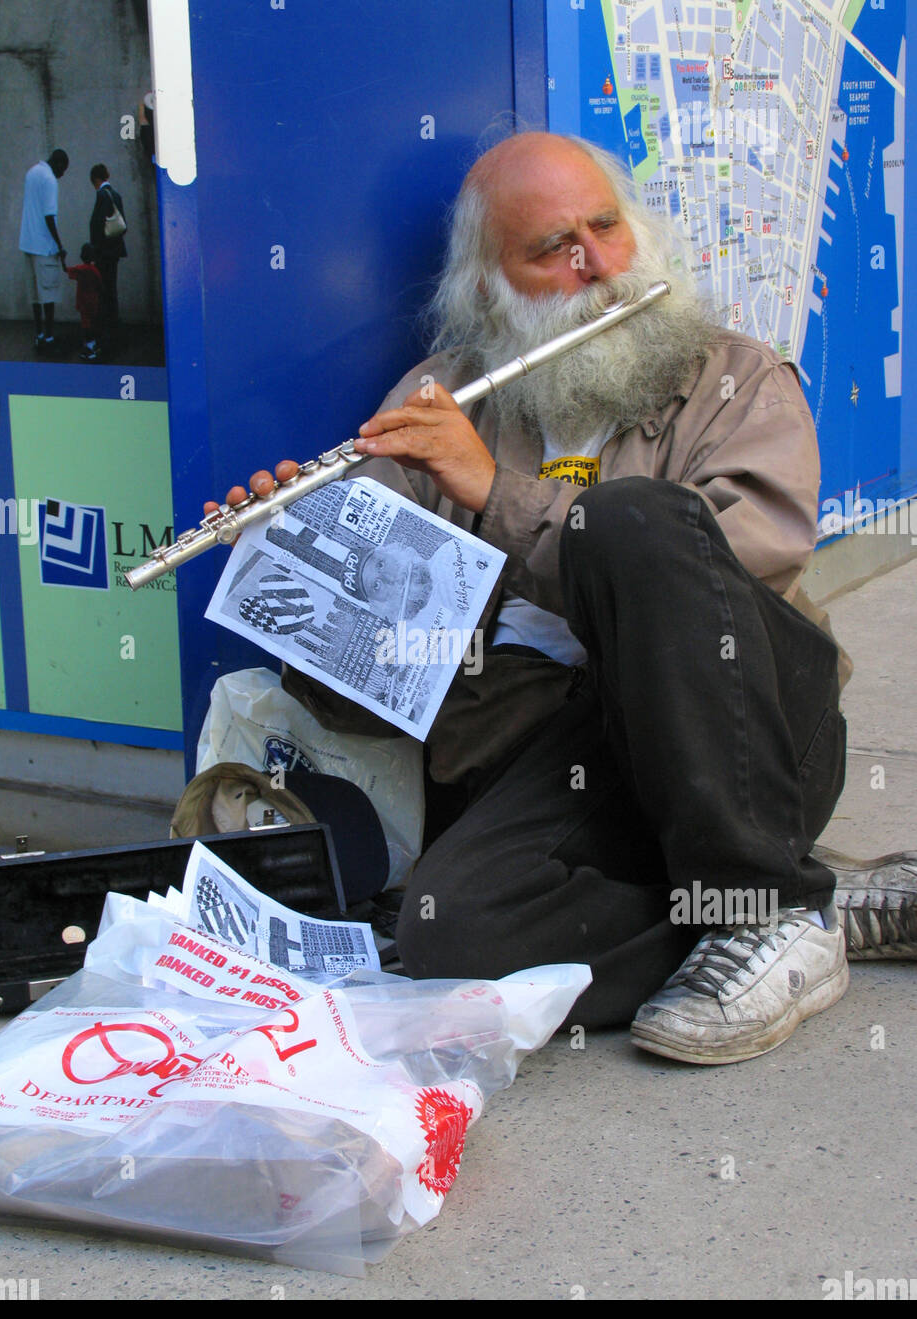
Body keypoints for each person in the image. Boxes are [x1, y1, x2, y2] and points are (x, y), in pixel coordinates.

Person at [213, 131, 916, 1064]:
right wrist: (296, 565)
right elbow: (373, 688)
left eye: (606, 228)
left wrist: (494, 496)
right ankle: (802, 906)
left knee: (632, 522)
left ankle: (767, 902)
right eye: (551, 249)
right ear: (485, 286)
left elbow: (716, 592)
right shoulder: (442, 398)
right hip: (559, 757)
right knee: (444, 939)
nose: (596, 265)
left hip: (750, 739)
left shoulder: (736, 381)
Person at [19, 149, 69, 351]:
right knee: (48, 294)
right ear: (58, 164)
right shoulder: (50, 180)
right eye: (63, 170)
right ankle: (48, 338)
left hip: (27, 243)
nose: (62, 174)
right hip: (44, 246)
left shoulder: (32, 172)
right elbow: (49, 216)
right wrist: (60, 245)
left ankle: (38, 334)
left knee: (35, 296)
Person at [88, 163, 127, 349]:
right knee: (112, 289)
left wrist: (95, 251)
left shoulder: (101, 196)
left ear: (95, 180)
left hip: (103, 253)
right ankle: (115, 328)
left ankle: (106, 333)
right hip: (115, 251)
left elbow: (97, 226)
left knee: (104, 291)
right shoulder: (117, 195)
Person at [66, 243, 103, 361]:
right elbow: (100, 286)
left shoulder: (80, 269)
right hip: (93, 302)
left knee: (86, 325)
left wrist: (62, 258)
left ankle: (89, 347)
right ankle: (92, 346)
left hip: (83, 303)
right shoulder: (95, 270)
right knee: (92, 324)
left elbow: (66, 270)